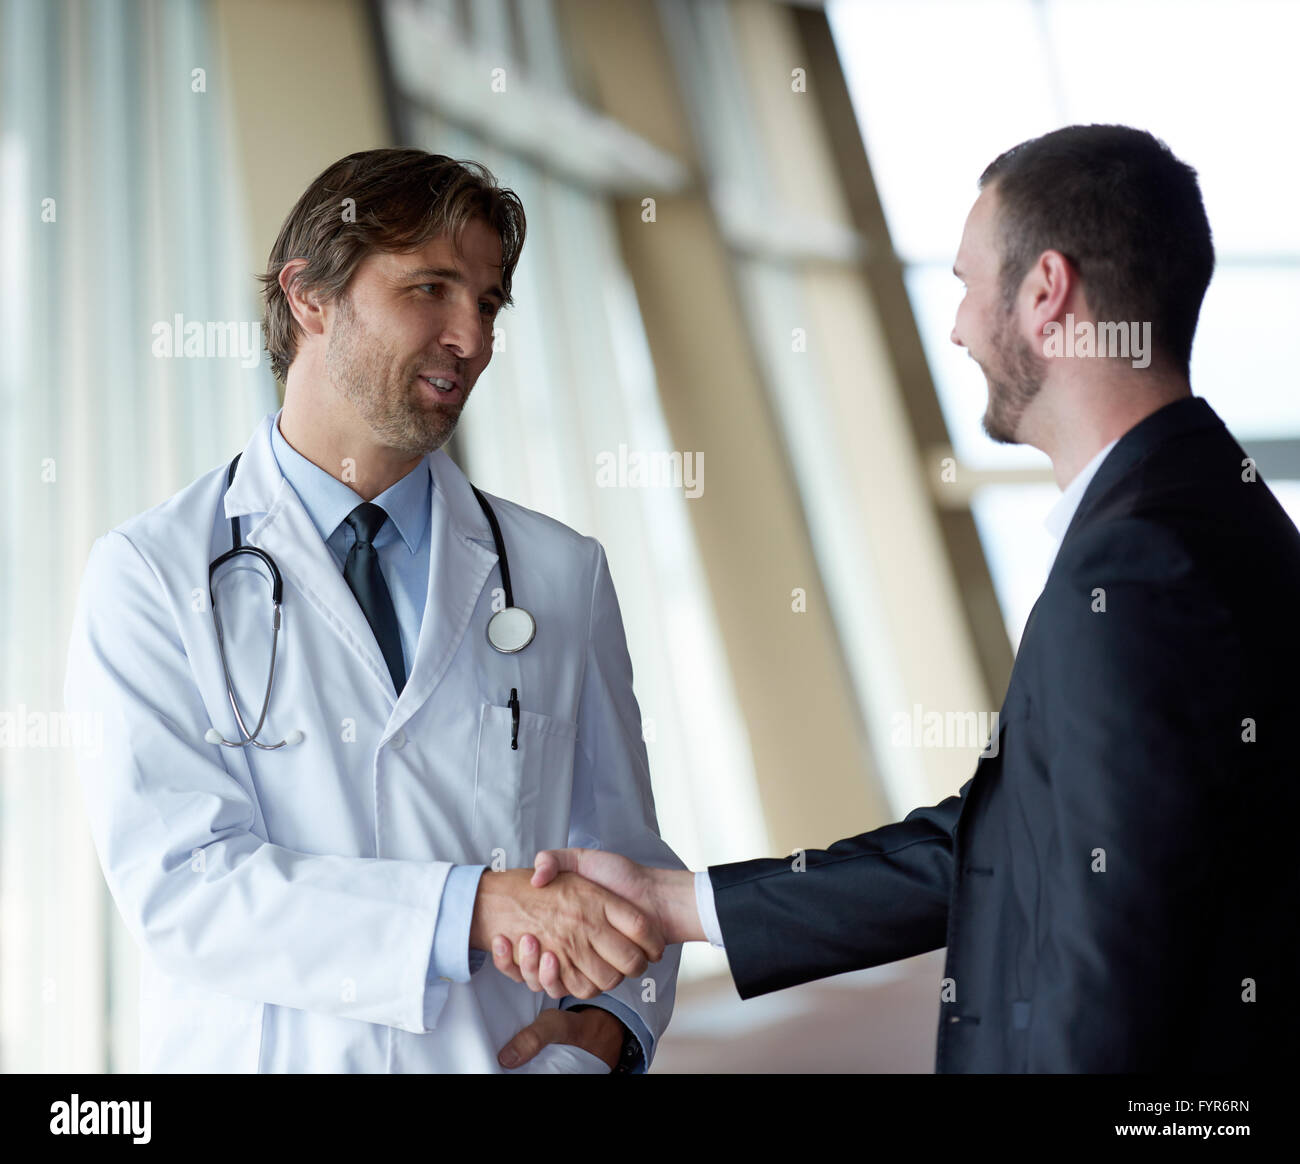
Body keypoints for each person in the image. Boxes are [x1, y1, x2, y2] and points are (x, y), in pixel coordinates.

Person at [500, 125, 1298, 1073]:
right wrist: (681, 905)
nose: (957, 326)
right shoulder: (1205, 511)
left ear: (1047, 293)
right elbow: (1003, 844)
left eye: (967, 284)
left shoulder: (1133, 565)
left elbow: (1116, 950)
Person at [67, 148, 681, 1074]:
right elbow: (186, 892)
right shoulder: (152, 575)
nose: (468, 338)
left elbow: (626, 864)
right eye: (429, 289)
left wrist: (608, 1032)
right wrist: (475, 906)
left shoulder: (559, 573)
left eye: (486, 303)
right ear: (310, 296)